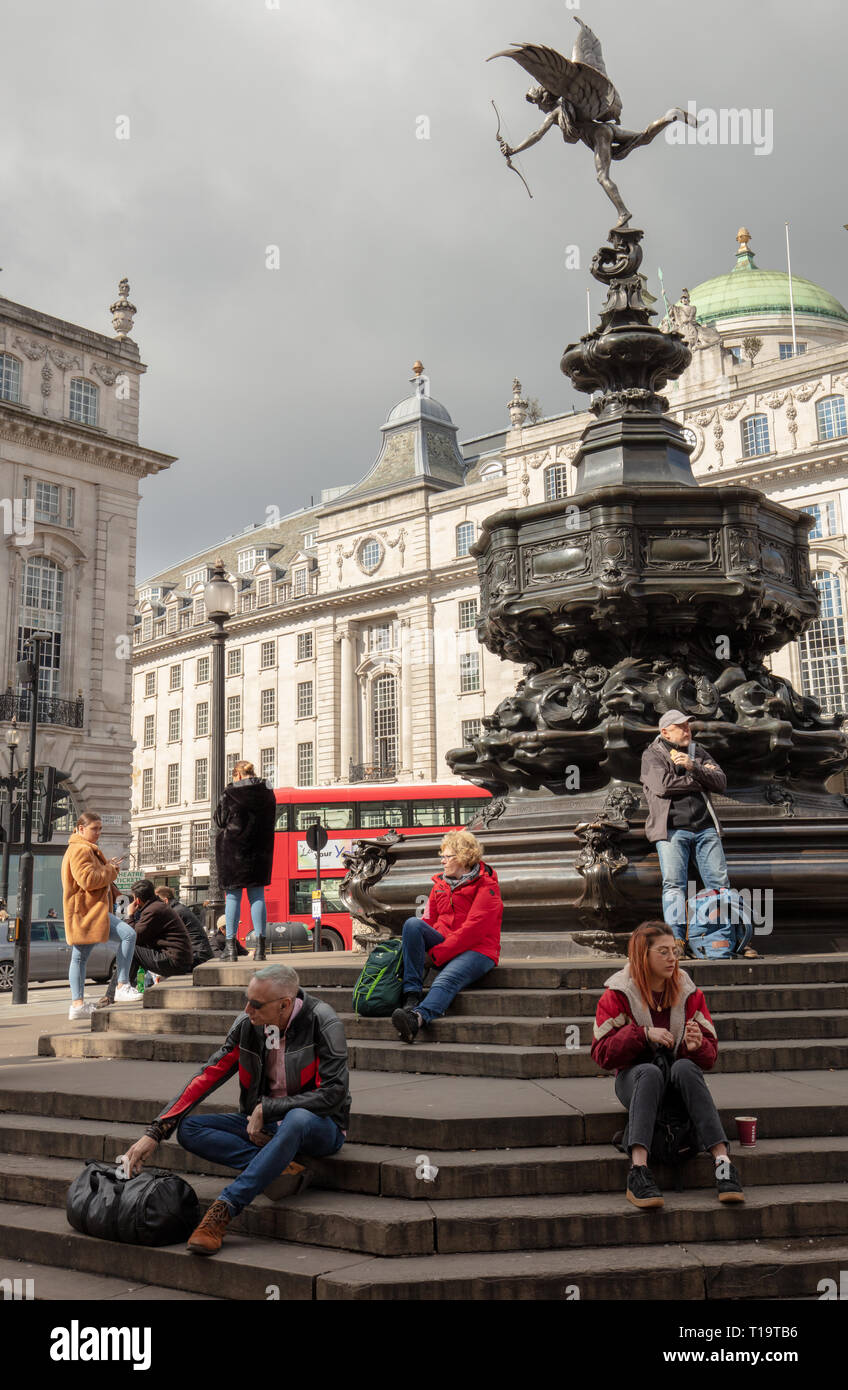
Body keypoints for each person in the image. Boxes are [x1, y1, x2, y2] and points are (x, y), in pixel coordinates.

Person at [120, 963, 350, 1256]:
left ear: (285, 1005)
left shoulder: (323, 1021)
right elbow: (208, 1075)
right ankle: (276, 1165)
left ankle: (225, 1208)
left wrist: (269, 1108)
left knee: (296, 1118)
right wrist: (156, 1131)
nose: (247, 1010)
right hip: (264, 1125)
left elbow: (333, 1094)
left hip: (321, 1126)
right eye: (247, 1000)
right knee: (190, 1129)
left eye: (256, 1005)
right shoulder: (249, 1026)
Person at [592, 920, 745, 1209]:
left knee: (686, 1067)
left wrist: (696, 1047)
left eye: (674, 951)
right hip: (635, 1080)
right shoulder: (618, 994)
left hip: (676, 1080)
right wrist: (642, 1035)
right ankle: (638, 1170)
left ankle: (724, 1165)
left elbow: (709, 1057)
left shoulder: (689, 993)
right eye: (663, 952)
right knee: (648, 1071)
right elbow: (601, 1053)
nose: (672, 958)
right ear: (643, 955)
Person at [640, 710, 759, 960]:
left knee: (721, 887)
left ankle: (733, 940)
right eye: (680, 727)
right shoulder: (652, 755)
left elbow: (721, 781)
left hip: (705, 828)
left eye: (688, 726)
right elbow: (662, 786)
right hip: (671, 829)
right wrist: (698, 781)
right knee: (674, 886)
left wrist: (693, 767)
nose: (687, 731)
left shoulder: (697, 752)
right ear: (665, 732)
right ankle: (677, 943)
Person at [391, 829, 502, 1044]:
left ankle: (417, 1019)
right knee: (412, 925)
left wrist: (436, 954)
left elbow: (472, 931)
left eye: (447, 856)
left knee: (446, 978)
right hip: (447, 945)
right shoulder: (440, 885)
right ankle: (411, 995)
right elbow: (428, 921)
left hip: (478, 950)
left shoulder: (487, 887)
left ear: (463, 858)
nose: (442, 861)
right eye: (441, 856)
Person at [61, 812, 138, 1020]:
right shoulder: (80, 850)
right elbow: (88, 880)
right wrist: (111, 869)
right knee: (128, 935)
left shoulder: (82, 849)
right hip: (90, 912)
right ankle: (122, 984)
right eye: (94, 828)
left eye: (100, 828)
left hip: (86, 912)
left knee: (79, 957)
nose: (98, 833)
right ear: (80, 829)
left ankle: (78, 1005)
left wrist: (107, 868)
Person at [214, 759, 276, 963]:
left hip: (233, 850)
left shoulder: (230, 792)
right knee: (257, 896)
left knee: (233, 897)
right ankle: (260, 949)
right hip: (260, 849)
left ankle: (230, 948)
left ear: (237, 775)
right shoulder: (267, 790)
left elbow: (220, 819)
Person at [100, 879, 193, 1005]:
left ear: (137, 900)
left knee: (131, 949)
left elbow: (133, 936)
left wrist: (130, 915)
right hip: (177, 958)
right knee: (134, 950)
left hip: (174, 961)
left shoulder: (153, 910)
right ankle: (124, 989)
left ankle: (110, 997)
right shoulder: (156, 906)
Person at [155, 886, 212, 968]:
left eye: (156, 903)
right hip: (199, 954)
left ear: (165, 901)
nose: (154, 906)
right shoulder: (178, 908)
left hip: (197, 956)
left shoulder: (175, 913)